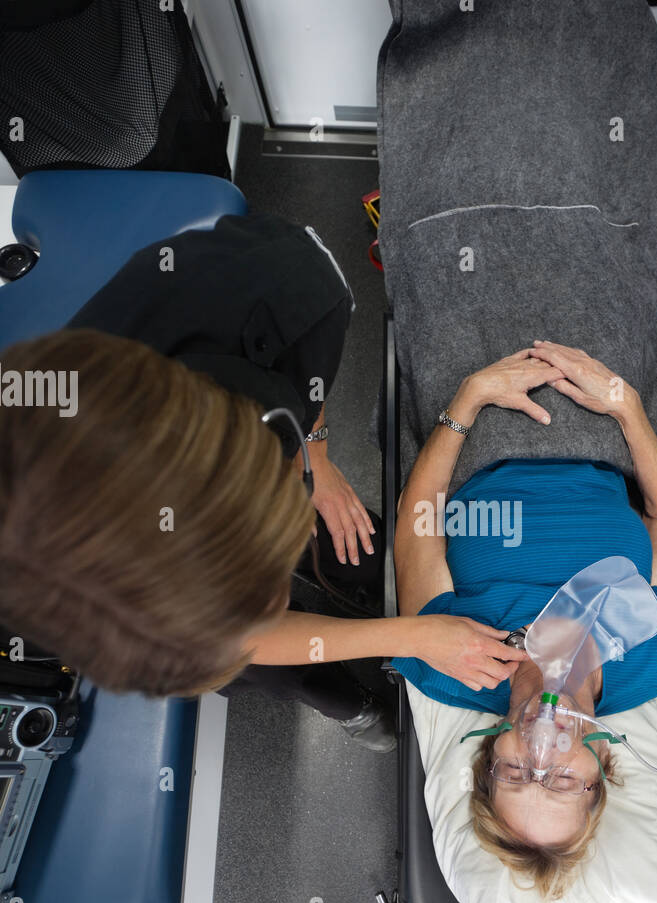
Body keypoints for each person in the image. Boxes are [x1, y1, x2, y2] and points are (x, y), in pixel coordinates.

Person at [0, 216, 525, 751]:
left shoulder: (296, 298)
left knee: (356, 548)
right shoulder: (71, 572)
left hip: (252, 327)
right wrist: (407, 636)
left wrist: (315, 456)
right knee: (253, 663)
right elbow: (239, 639)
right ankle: (347, 701)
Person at [392, 340, 657, 897]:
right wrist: (625, 404)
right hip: (607, 431)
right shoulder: (651, 656)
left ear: (489, 755)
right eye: (561, 780)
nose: (542, 753)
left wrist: (469, 398)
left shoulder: (446, 660)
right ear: (602, 763)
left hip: (479, 434)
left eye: (515, 774)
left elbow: (418, 522)